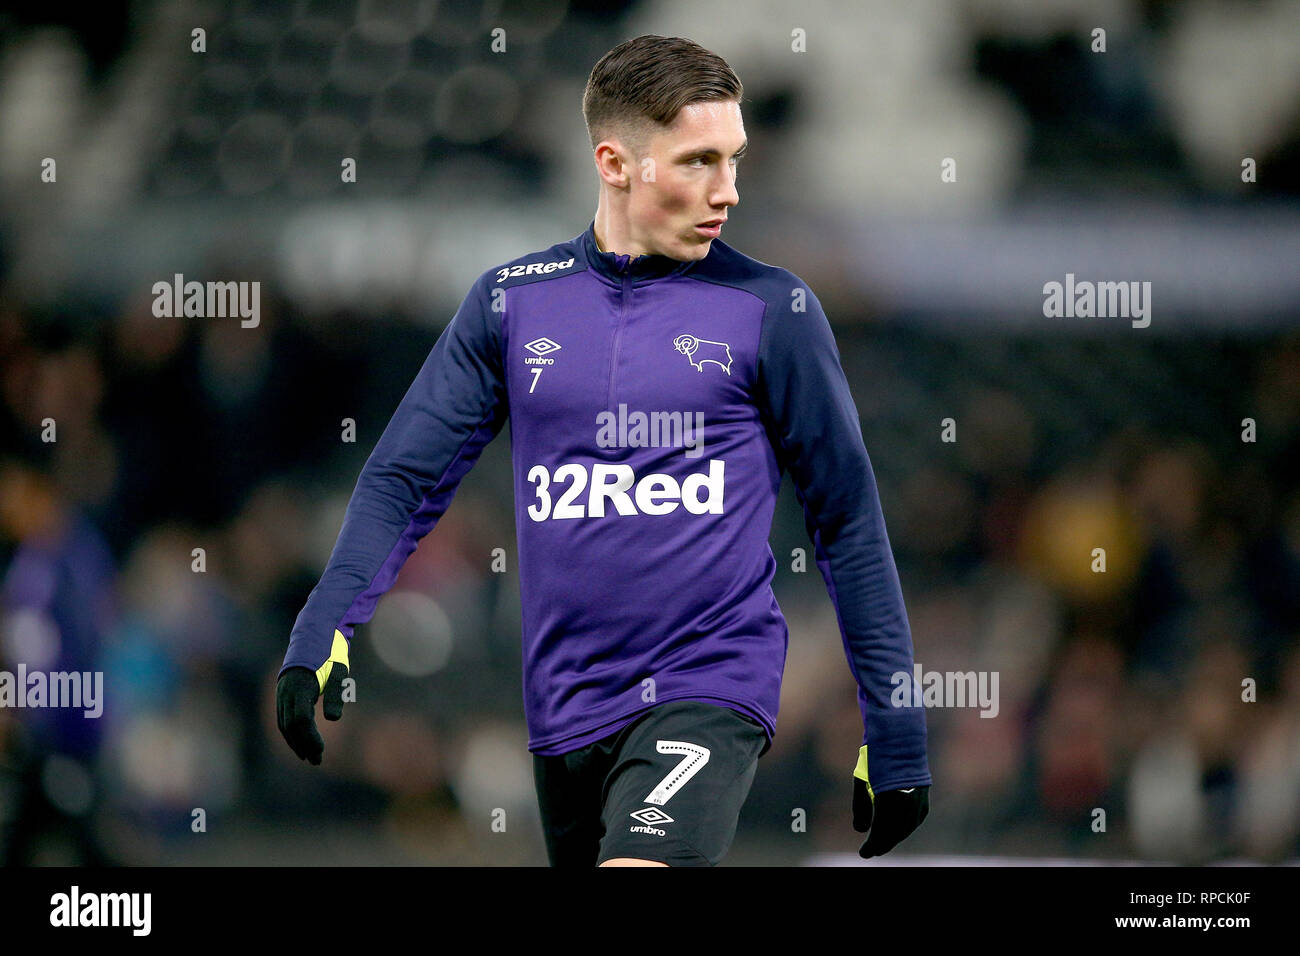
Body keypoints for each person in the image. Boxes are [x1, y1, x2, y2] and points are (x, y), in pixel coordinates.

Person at [276, 34, 930, 867]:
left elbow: (847, 521)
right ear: (615, 162)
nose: (726, 191)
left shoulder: (774, 310)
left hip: (708, 684)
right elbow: (404, 480)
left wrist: (896, 724)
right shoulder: (511, 304)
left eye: (733, 161)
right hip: (563, 709)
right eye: (698, 162)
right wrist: (322, 626)